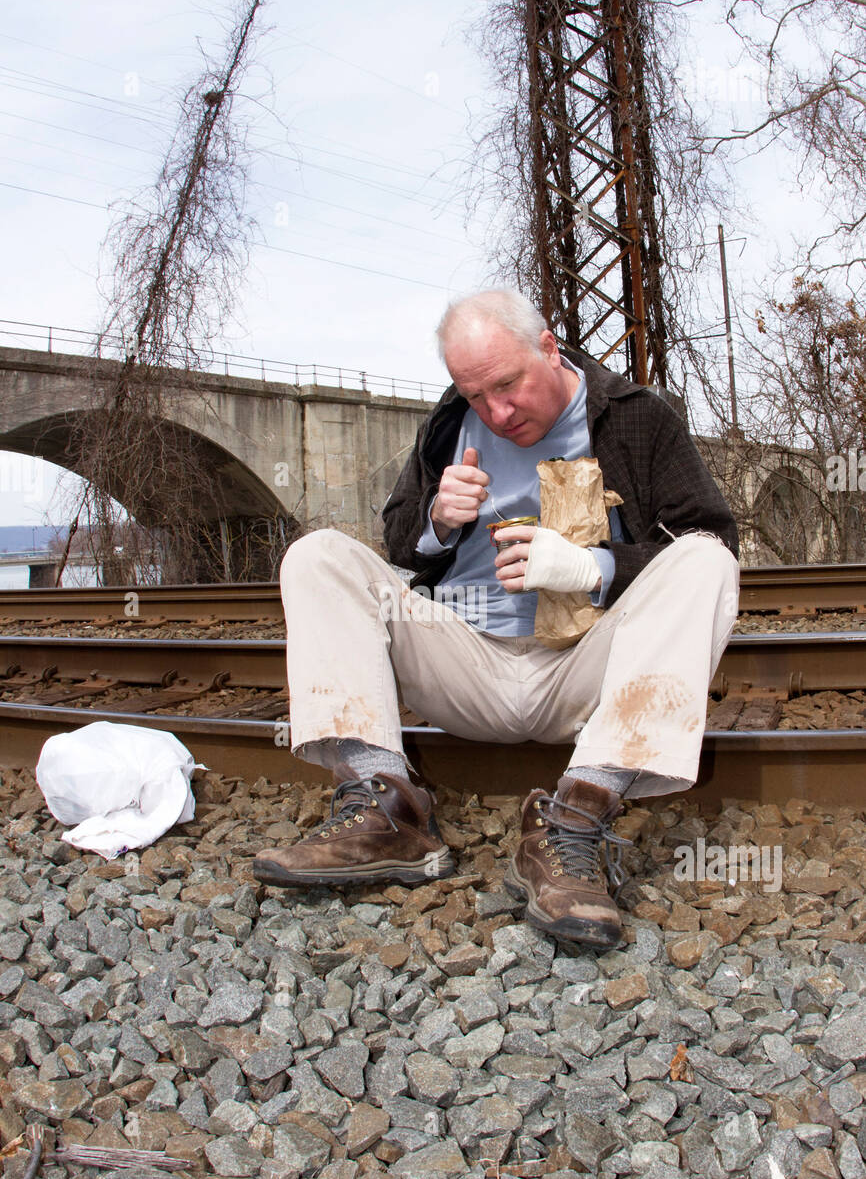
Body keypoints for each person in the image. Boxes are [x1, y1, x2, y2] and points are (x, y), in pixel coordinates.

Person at [253, 289, 740, 950]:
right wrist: (437, 520)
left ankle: (576, 816)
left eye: (508, 386)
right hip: (463, 663)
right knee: (317, 557)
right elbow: (398, 543)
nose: (497, 411)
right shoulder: (451, 424)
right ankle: (386, 807)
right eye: (477, 394)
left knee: (706, 562)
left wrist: (591, 568)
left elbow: (707, 535)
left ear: (547, 347)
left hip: (584, 669)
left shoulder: (635, 416)